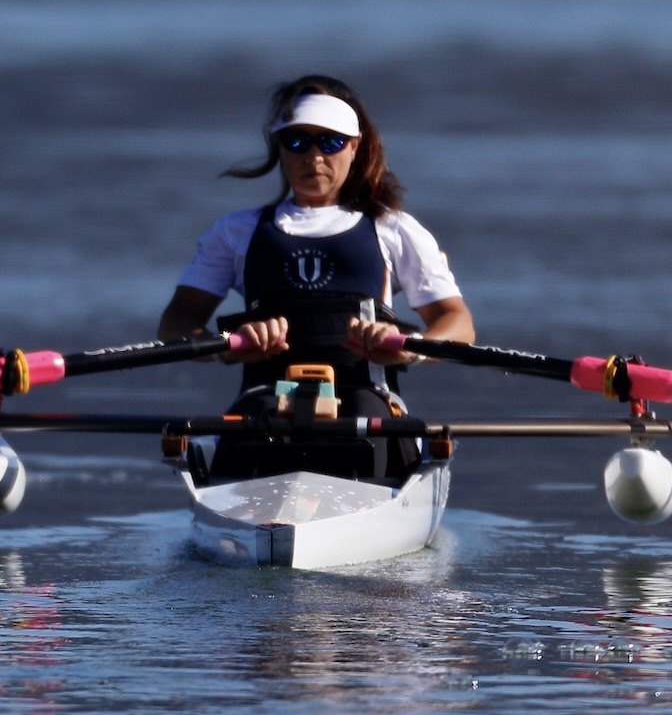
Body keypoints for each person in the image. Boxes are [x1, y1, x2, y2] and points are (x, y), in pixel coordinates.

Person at [157, 75, 474, 482]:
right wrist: (229, 345)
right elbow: (176, 323)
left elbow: (458, 324)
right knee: (260, 411)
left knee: (364, 411)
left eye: (330, 142)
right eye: (297, 142)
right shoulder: (236, 231)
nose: (313, 157)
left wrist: (406, 348)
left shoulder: (394, 230)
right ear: (280, 148)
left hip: (367, 401)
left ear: (355, 147)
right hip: (264, 401)